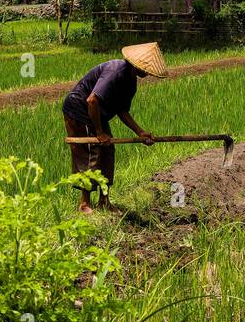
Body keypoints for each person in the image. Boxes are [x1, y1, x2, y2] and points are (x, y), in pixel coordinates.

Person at [62, 42, 168, 213]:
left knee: (108, 151)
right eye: (146, 69)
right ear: (136, 65)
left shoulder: (130, 82)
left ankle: (104, 200)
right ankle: (85, 203)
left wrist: (139, 132)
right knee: (91, 152)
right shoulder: (115, 71)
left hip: (97, 112)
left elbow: (121, 110)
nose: (147, 73)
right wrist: (99, 132)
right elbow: (92, 100)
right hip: (79, 109)